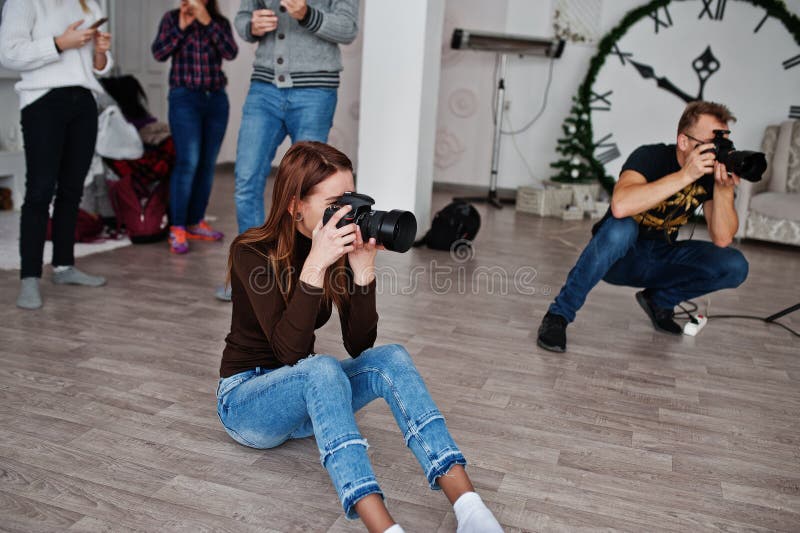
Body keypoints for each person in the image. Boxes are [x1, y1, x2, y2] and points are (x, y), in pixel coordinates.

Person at [217, 142, 504, 533]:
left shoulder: (334, 249)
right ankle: (383, 528)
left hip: (309, 400)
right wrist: (316, 263)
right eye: (335, 203)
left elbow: (359, 345)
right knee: (320, 367)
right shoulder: (250, 252)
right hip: (247, 402)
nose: (347, 215)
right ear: (294, 205)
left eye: (350, 201)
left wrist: (362, 271)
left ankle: (471, 509)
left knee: (391, 357)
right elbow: (289, 353)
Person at [537, 101, 749, 352]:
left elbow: (723, 238)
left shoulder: (710, 177)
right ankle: (557, 316)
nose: (716, 152)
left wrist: (724, 190)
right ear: (683, 142)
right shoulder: (650, 157)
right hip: (618, 258)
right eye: (710, 144)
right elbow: (620, 205)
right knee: (621, 228)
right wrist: (685, 175)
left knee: (735, 265)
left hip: (661, 256)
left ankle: (659, 301)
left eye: (722, 144)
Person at [215, 0, 357, 299]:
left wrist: (306, 14)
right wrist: (251, 26)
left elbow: (347, 29)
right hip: (264, 87)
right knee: (246, 180)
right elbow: (242, 19)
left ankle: (303, 274)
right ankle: (253, 276)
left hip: (316, 90)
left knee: (310, 188)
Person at [0, 0, 113, 309]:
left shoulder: (87, 4)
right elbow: (8, 52)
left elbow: (100, 66)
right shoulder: (23, 3)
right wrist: (59, 43)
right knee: (39, 191)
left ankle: (64, 266)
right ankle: (29, 278)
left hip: (84, 101)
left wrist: (101, 49)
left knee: (72, 190)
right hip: (43, 102)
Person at [152, 0, 238, 254]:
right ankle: (177, 226)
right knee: (187, 161)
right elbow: (159, 53)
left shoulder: (218, 22)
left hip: (216, 100)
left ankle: (195, 221)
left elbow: (230, 52)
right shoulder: (171, 19)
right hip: (184, 99)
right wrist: (181, 27)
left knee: (207, 163)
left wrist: (207, 23)